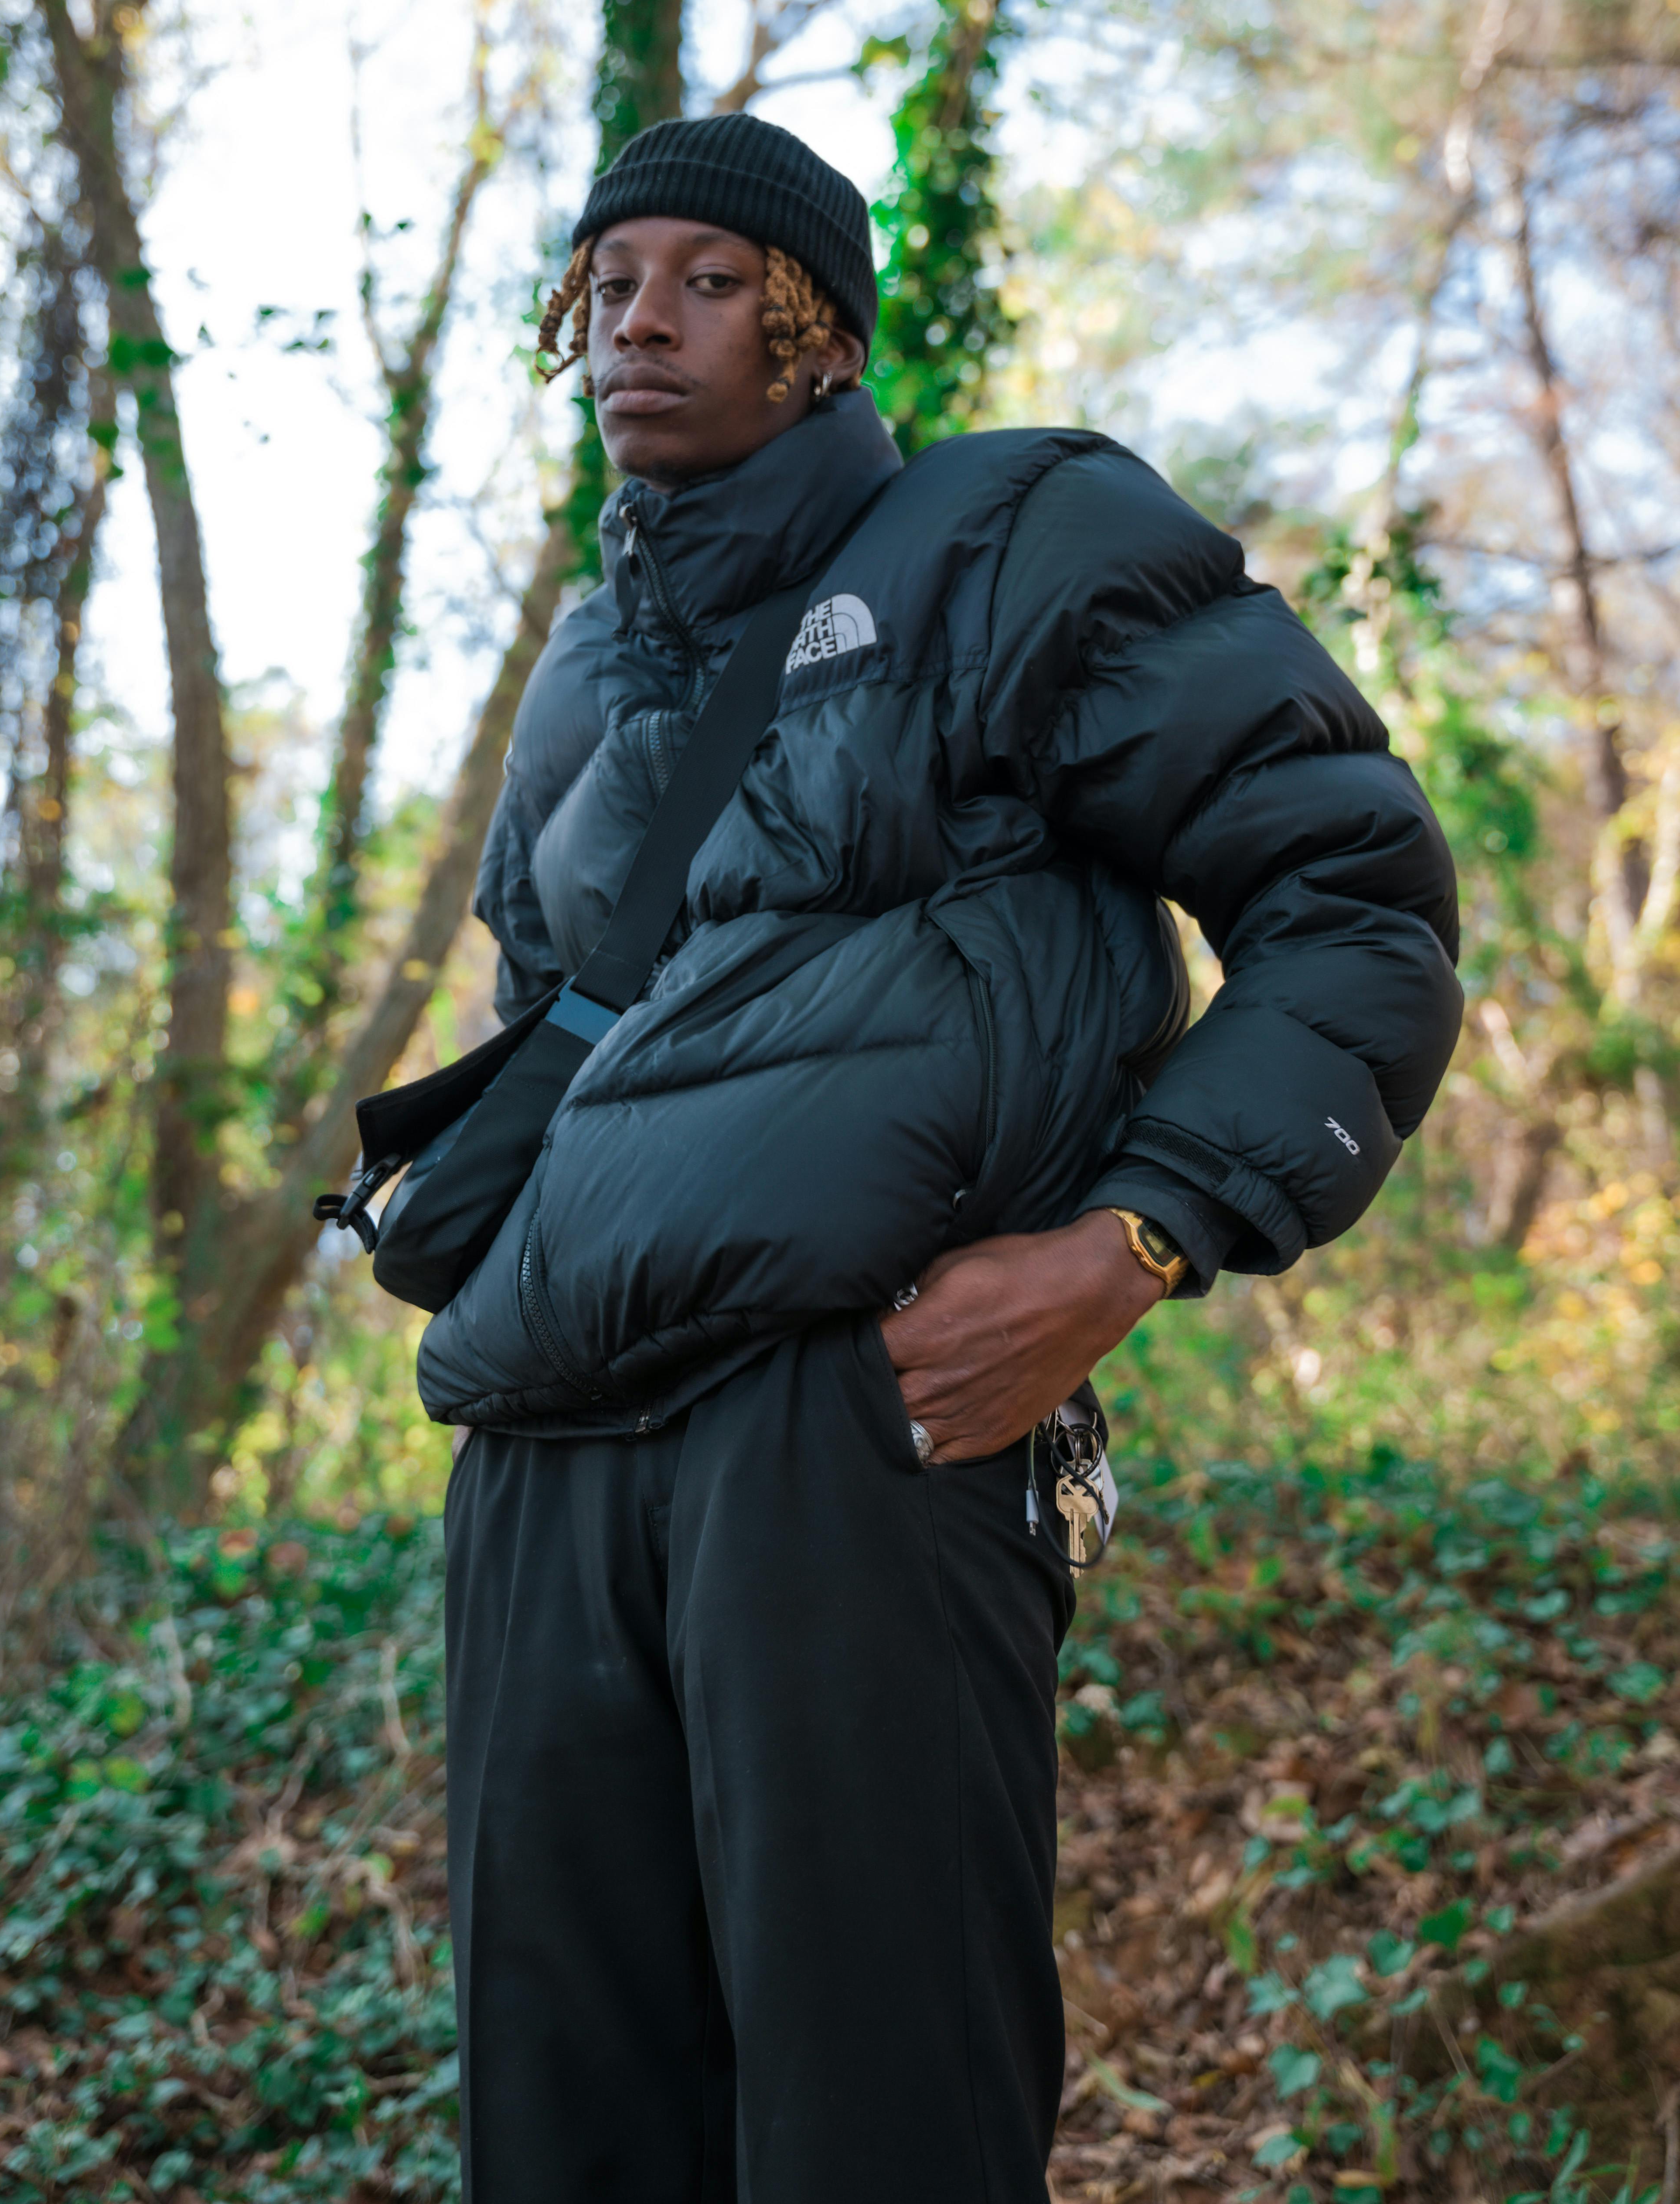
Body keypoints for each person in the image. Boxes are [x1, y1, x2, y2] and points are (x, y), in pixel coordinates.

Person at [418, 112, 1462, 2203]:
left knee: (876, 2106)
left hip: (853, 1414)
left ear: (813, 332)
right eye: (612, 283)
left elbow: (1354, 895)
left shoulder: (1018, 535)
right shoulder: (579, 676)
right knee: (565, 2121)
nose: (644, 322)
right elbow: (553, 1036)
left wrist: (1135, 1245)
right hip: (539, 1445)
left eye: (711, 280)